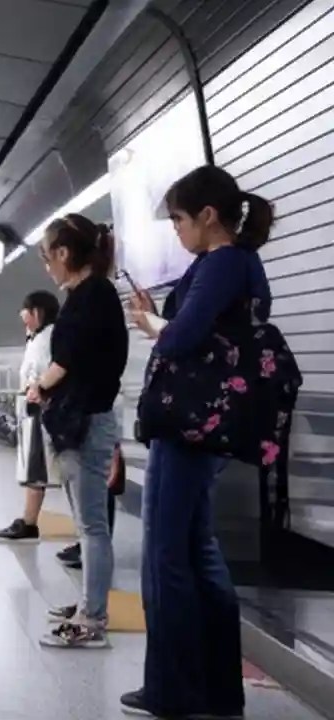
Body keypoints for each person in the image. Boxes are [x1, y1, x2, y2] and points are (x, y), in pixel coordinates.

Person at [119, 165, 272, 718]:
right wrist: (161, 320)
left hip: (187, 427)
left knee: (167, 553)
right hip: (203, 426)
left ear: (209, 216)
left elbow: (183, 337)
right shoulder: (238, 265)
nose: (177, 232)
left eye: (180, 220)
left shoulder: (223, 261)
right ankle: (215, 690)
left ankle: (173, 689)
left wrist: (156, 326)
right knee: (197, 548)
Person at [28, 213, 127, 649]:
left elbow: (66, 360)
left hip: (85, 422)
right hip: (87, 419)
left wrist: (38, 385)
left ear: (65, 253)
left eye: (48, 256)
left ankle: (93, 618)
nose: (48, 266)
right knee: (88, 524)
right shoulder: (93, 294)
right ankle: (89, 602)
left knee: (91, 525)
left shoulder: (90, 297)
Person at [0, 290, 59, 542]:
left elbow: (46, 371)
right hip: (32, 408)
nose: (22, 315)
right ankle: (28, 520)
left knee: (39, 468)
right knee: (33, 468)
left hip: (42, 408)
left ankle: (30, 522)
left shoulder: (49, 337)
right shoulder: (37, 337)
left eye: (26, 310)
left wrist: (37, 389)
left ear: (37, 312)